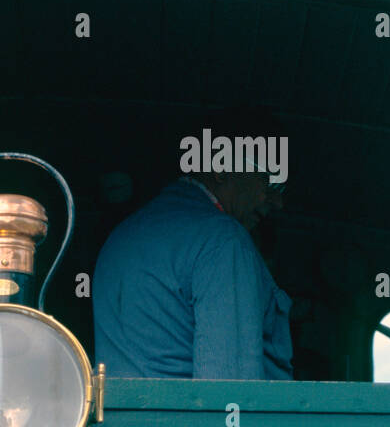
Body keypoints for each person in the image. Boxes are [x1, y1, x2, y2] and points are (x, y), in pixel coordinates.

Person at [92, 111, 291, 380]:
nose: (276, 202)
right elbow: (230, 394)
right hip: (190, 422)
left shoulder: (121, 237)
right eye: (271, 182)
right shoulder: (223, 240)